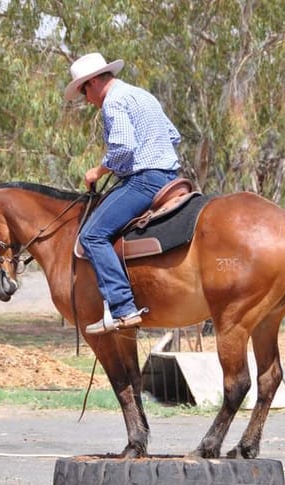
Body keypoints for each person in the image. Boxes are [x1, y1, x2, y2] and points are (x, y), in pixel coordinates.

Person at [64, 52, 181, 335]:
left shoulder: (113, 102)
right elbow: (173, 135)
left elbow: (123, 147)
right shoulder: (143, 96)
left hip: (145, 180)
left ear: (93, 83)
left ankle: (123, 308)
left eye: (83, 91)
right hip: (171, 177)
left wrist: (97, 172)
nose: (87, 99)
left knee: (91, 236)